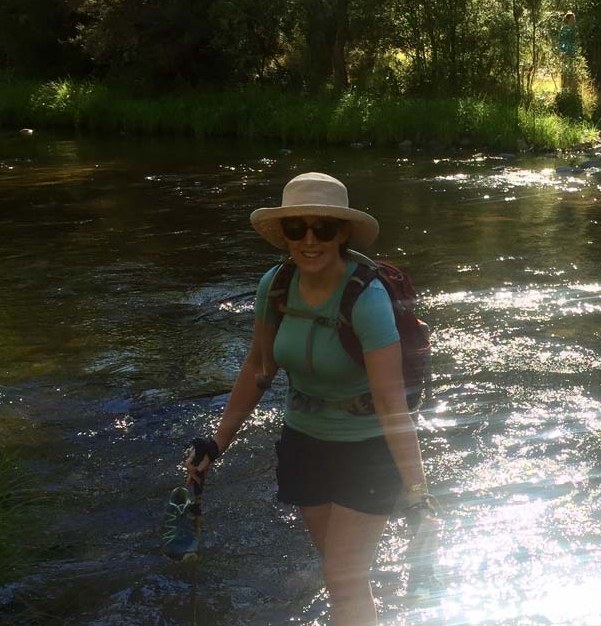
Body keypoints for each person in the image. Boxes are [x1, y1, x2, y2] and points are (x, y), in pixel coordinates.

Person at [184, 172, 430, 625]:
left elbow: (392, 405)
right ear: (285, 235)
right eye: (298, 229)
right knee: (344, 578)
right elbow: (258, 370)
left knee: (344, 578)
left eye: (324, 229)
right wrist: (216, 445)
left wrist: (418, 493)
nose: (310, 240)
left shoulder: (367, 299)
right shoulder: (275, 287)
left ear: (343, 234)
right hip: (305, 443)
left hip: (368, 450)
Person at [558, 12, 579, 91]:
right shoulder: (564, 29)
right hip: (566, 52)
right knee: (565, 71)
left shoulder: (573, 29)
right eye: (572, 18)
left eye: (574, 18)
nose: (574, 20)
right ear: (568, 19)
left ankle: (571, 89)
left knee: (572, 70)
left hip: (572, 52)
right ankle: (563, 89)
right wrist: (563, 51)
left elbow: (574, 41)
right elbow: (561, 41)